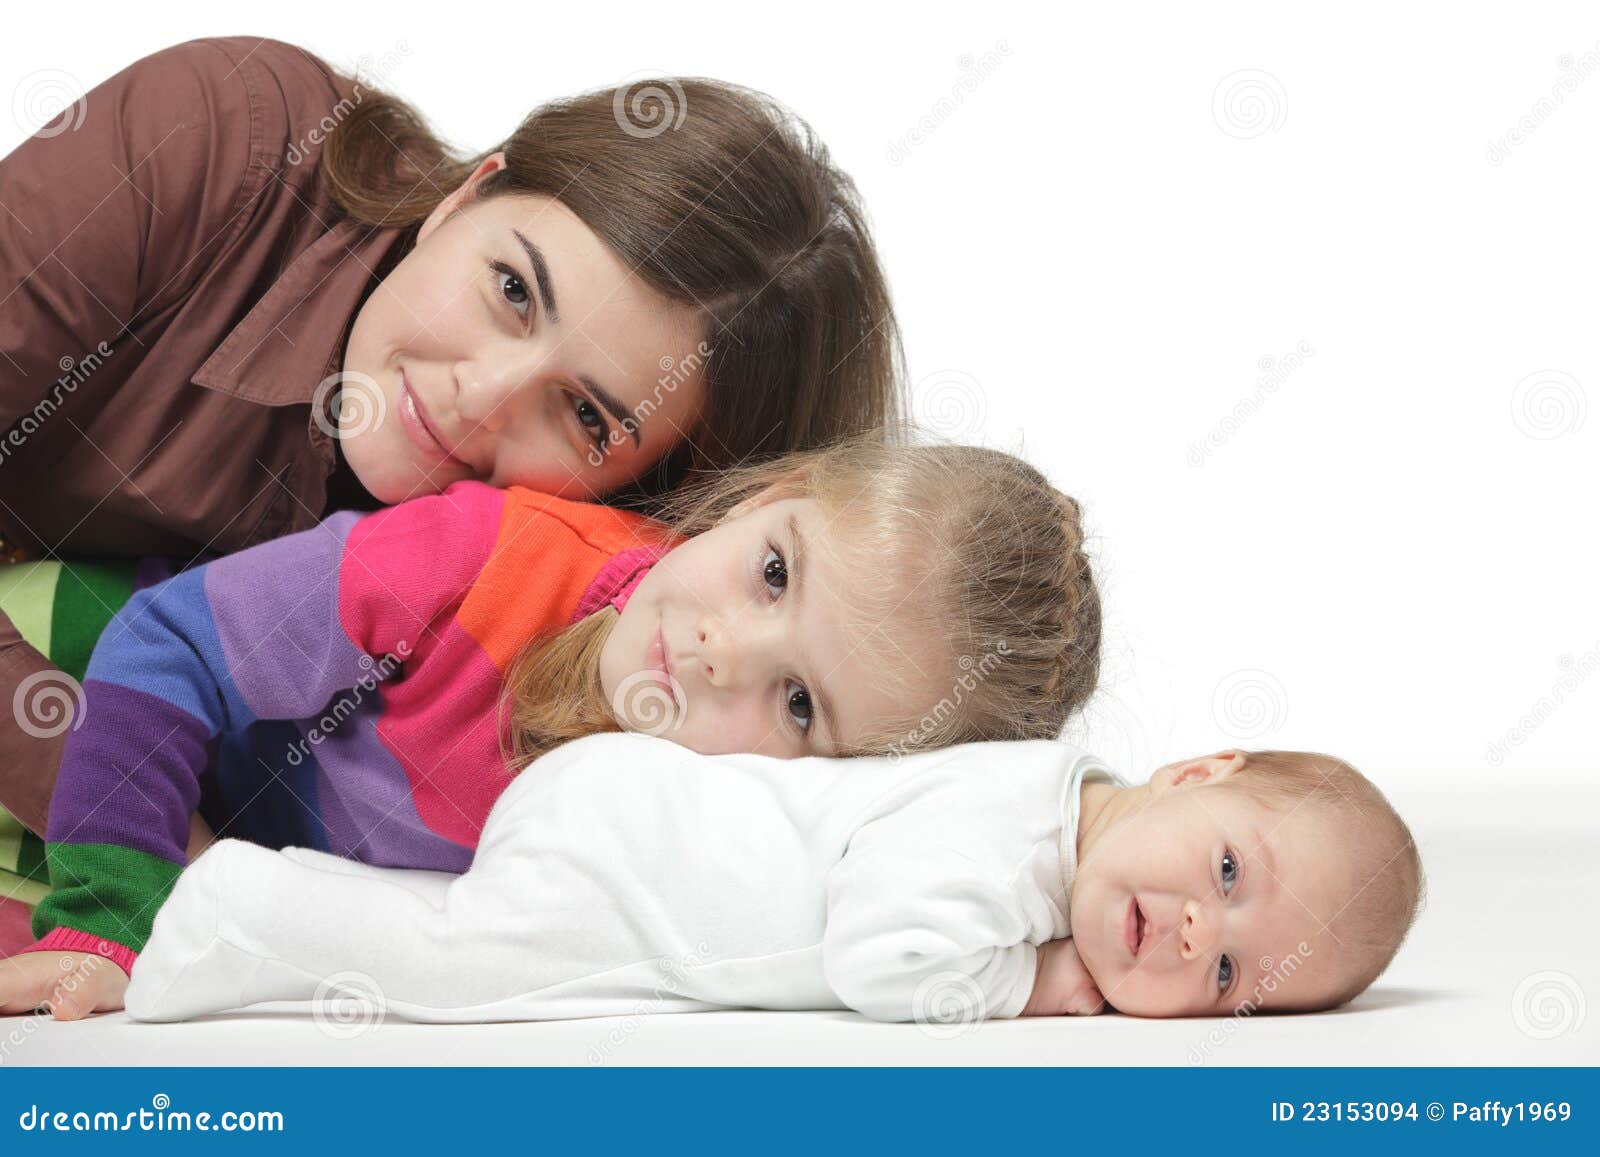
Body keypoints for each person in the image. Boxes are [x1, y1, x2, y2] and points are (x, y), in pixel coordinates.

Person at [0, 35, 904, 839]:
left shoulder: (593, 629)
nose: (484, 397)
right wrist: (139, 829)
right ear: (468, 195)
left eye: (587, 415)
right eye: (513, 290)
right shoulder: (225, 130)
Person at [0, 432, 1102, 1017]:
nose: (720, 650)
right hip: (77, 683)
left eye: (799, 702)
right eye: (773, 572)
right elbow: (169, 644)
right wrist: (109, 916)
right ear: (769, 495)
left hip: (137, 859)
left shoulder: (673, 820)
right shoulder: (487, 556)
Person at [118, 734, 1424, 1024]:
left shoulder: (1046, 808)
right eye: (1227, 868)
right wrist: (1027, 983)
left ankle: (271, 880)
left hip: (634, 817)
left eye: (1234, 970)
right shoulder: (1010, 827)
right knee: (461, 973)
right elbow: (881, 956)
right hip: (639, 862)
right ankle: (231, 909)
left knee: (480, 942)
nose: (1193, 930)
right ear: (1194, 771)